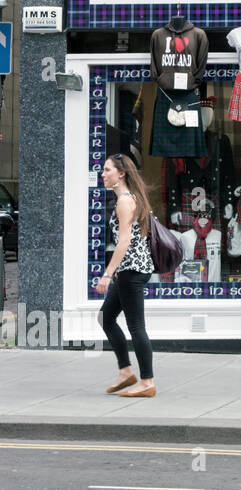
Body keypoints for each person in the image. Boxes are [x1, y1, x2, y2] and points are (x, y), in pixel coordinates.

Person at [97, 154, 157, 398]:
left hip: (131, 271)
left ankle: (147, 381)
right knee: (106, 317)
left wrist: (107, 274)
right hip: (130, 270)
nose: (103, 174)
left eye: (107, 169)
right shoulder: (129, 197)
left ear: (121, 174)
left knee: (136, 326)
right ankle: (125, 372)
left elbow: (124, 241)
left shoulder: (124, 201)